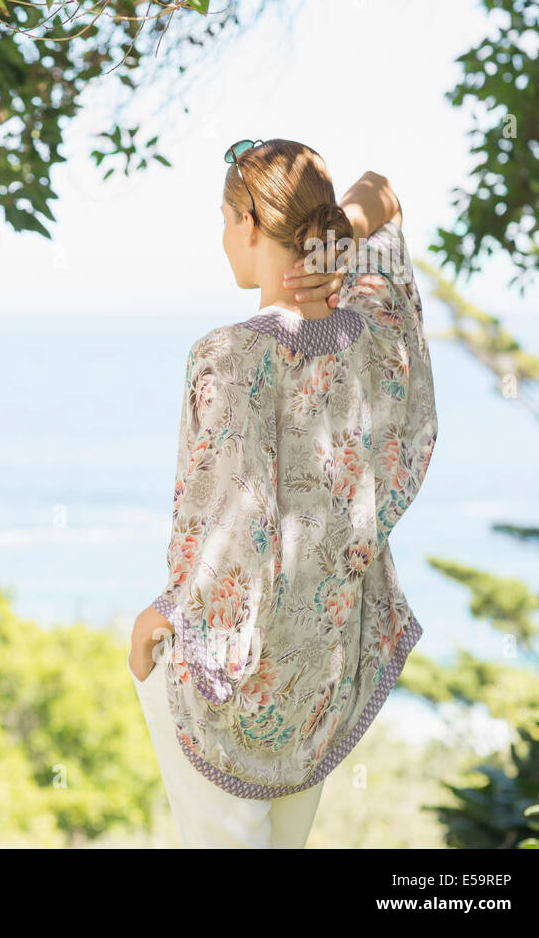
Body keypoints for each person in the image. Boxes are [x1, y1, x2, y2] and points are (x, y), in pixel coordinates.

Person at [126, 139, 439, 848]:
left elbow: (227, 523)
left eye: (223, 218)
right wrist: (343, 241)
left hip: (234, 689)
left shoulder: (228, 356)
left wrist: (161, 613)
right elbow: (383, 190)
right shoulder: (375, 334)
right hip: (323, 678)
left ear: (246, 225)